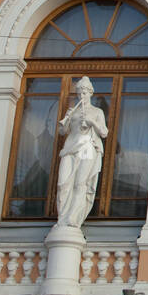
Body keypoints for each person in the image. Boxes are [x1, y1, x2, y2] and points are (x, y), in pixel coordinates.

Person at [55, 76, 108, 227]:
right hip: (70, 147)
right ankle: (62, 218)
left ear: (90, 93)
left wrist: (91, 122)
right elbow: (62, 131)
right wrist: (67, 118)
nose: (81, 96)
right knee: (63, 183)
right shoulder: (73, 111)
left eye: (84, 93)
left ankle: (73, 217)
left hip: (87, 146)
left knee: (80, 183)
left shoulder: (97, 112)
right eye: (79, 93)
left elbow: (104, 132)